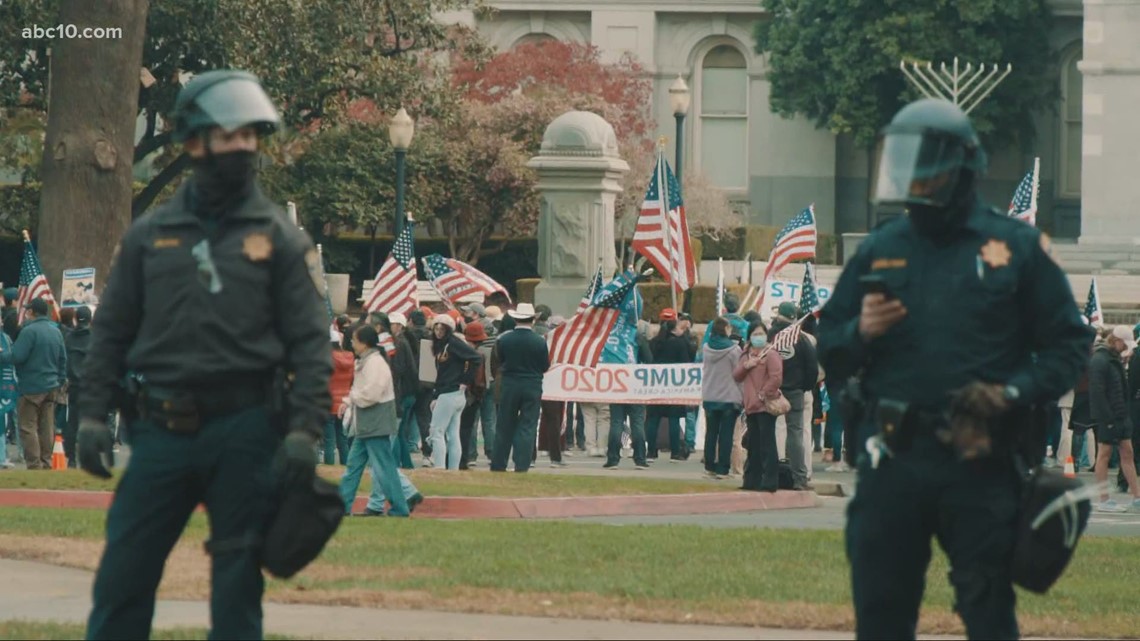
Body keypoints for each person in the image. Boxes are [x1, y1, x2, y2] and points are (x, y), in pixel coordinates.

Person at [817, 98, 1092, 639]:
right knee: (881, 608)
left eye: (926, 164)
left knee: (986, 607)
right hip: (894, 455)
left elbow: (1069, 344)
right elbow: (829, 346)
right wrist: (861, 332)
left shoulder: (1014, 248)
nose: (914, 179)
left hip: (980, 457)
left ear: (961, 167)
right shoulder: (880, 248)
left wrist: (1013, 392)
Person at [76, 70, 332, 640]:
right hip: (160, 431)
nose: (243, 147)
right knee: (123, 577)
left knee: (238, 589)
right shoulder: (150, 235)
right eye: (229, 135)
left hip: (246, 431)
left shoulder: (281, 239)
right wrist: (92, 415)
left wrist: (304, 431)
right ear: (193, 143)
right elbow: (111, 332)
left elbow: (312, 343)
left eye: (251, 136)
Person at [336, 325, 409, 517]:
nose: (351, 343)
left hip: (375, 421)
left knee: (384, 468)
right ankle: (342, 506)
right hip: (367, 423)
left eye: (354, 339)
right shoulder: (367, 361)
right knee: (354, 466)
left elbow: (372, 394)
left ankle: (400, 508)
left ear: (364, 342)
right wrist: (349, 401)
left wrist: (351, 400)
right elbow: (364, 391)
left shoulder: (375, 363)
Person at [0, 298, 67, 470]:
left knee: (27, 426)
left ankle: (34, 464)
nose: (27, 313)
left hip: (31, 386)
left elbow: (17, 356)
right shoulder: (56, 332)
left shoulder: (29, 332)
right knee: (46, 426)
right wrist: (59, 380)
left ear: (33, 312)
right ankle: (46, 462)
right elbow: (62, 360)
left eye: (29, 310)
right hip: (51, 386)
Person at [490, 303, 549, 473]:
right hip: (532, 384)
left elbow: (499, 361)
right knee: (527, 425)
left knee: (504, 425)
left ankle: (499, 463)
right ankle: (522, 464)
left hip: (509, 383)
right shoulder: (539, 341)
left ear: (516, 319)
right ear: (532, 319)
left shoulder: (503, 339)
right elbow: (545, 366)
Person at [1088, 325, 1140, 511]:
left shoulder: (1113, 359)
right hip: (1108, 416)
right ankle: (1103, 499)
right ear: (1116, 340)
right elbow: (1097, 392)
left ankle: (1137, 497)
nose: (1126, 348)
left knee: (1128, 454)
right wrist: (1107, 418)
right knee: (1104, 455)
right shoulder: (1100, 360)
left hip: (1120, 414)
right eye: (1124, 344)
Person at [768, 302, 818, 490]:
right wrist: (804, 386)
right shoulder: (802, 339)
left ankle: (770, 474)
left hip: (772, 391)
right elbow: (812, 367)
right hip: (795, 391)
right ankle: (799, 478)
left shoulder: (769, 336)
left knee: (770, 431)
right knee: (795, 433)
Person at [427, 314, 481, 470]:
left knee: (436, 432)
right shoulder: (444, 345)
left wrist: (465, 380)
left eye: (442, 328)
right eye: (436, 328)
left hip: (450, 393)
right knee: (452, 434)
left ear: (448, 329)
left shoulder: (453, 343)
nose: (438, 331)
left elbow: (475, 358)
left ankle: (439, 467)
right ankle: (452, 469)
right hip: (453, 394)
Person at [734, 322, 783, 491]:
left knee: (767, 444)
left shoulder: (771, 354)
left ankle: (770, 481)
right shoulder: (745, 355)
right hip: (750, 406)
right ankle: (751, 480)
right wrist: (747, 365)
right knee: (753, 445)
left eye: (761, 333)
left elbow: (776, 377)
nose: (758, 337)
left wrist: (764, 393)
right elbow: (737, 375)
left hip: (765, 406)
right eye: (755, 334)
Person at [646, 308, 694, 461]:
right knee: (674, 419)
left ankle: (651, 451)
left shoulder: (654, 342)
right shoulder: (680, 343)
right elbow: (688, 361)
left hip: (655, 385)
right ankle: (674, 452)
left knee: (653, 418)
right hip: (675, 385)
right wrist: (685, 336)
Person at [701, 317, 743, 479]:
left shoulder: (706, 348)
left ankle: (709, 466)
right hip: (729, 397)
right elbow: (739, 374)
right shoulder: (734, 351)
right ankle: (723, 469)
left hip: (710, 395)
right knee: (726, 434)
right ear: (725, 329)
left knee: (711, 433)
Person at [63, 306, 94, 468]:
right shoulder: (95, 338)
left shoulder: (69, 338)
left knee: (72, 422)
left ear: (76, 319)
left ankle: (72, 458)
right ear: (90, 320)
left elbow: (64, 360)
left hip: (74, 385)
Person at [388, 311, 420, 468]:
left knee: (397, 431)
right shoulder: (405, 342)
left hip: (402, 393)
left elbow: (398, 370)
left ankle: (397, 463)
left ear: (399, 326)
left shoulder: (400, 344)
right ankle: (405, 464)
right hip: (409, 392)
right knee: (400, 432)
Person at [324, 328, 355, 466]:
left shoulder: (326, 359)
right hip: (344, 402)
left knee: (329, 441)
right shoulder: (350, 357)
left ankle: (329, 466)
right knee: (343, 439)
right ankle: (345, 465)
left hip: (328, 402)